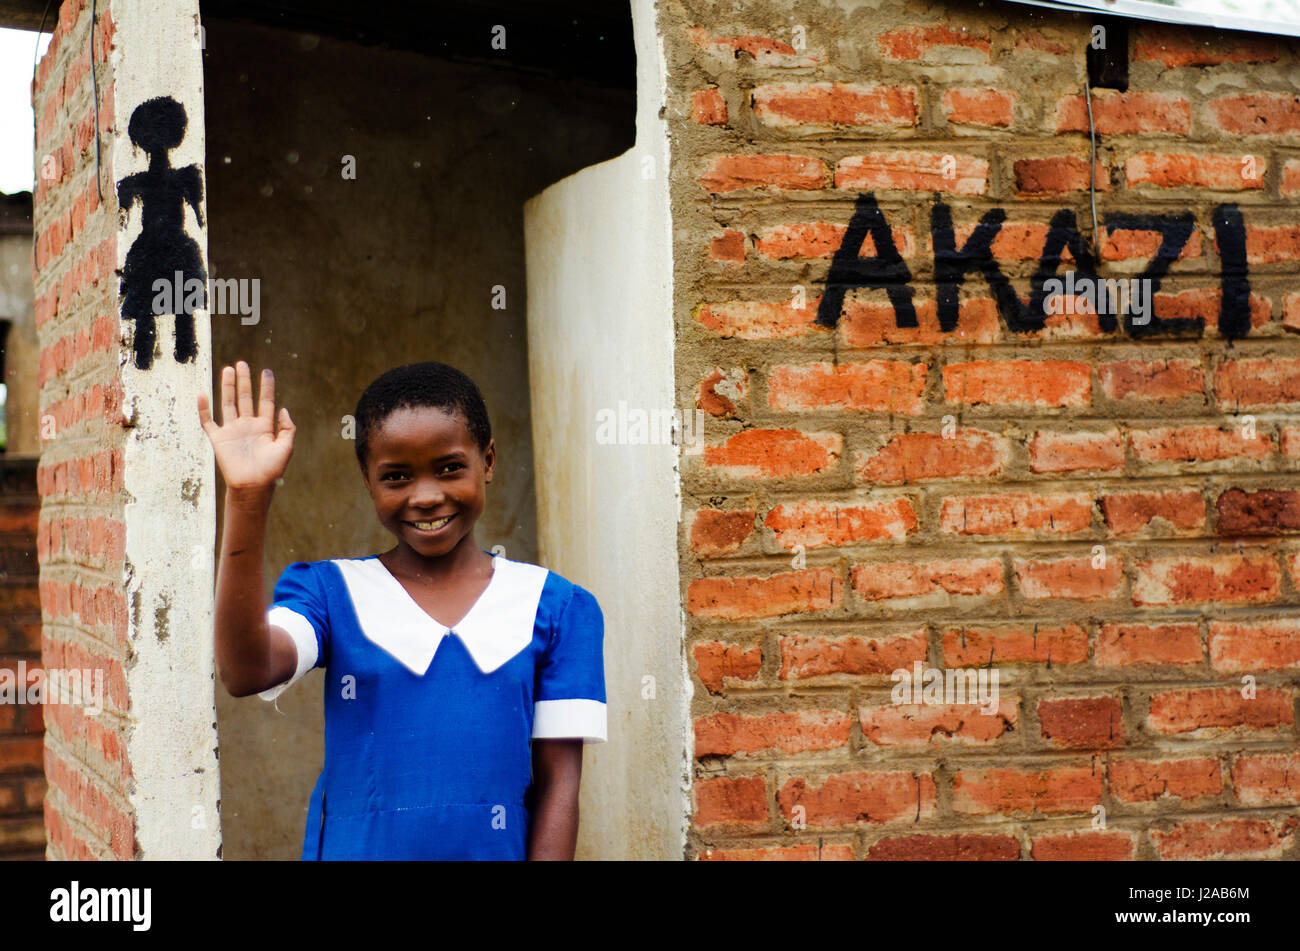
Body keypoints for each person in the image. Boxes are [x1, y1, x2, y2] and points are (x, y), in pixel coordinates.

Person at [198, 360, 606, 860]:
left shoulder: (558, 608)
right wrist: (247, 497)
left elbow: (558, 787)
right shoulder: (330, 592)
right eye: (396, 476)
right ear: (368, 482)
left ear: (489, 461)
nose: (427, 496)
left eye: (451, 467)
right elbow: (245, 670)